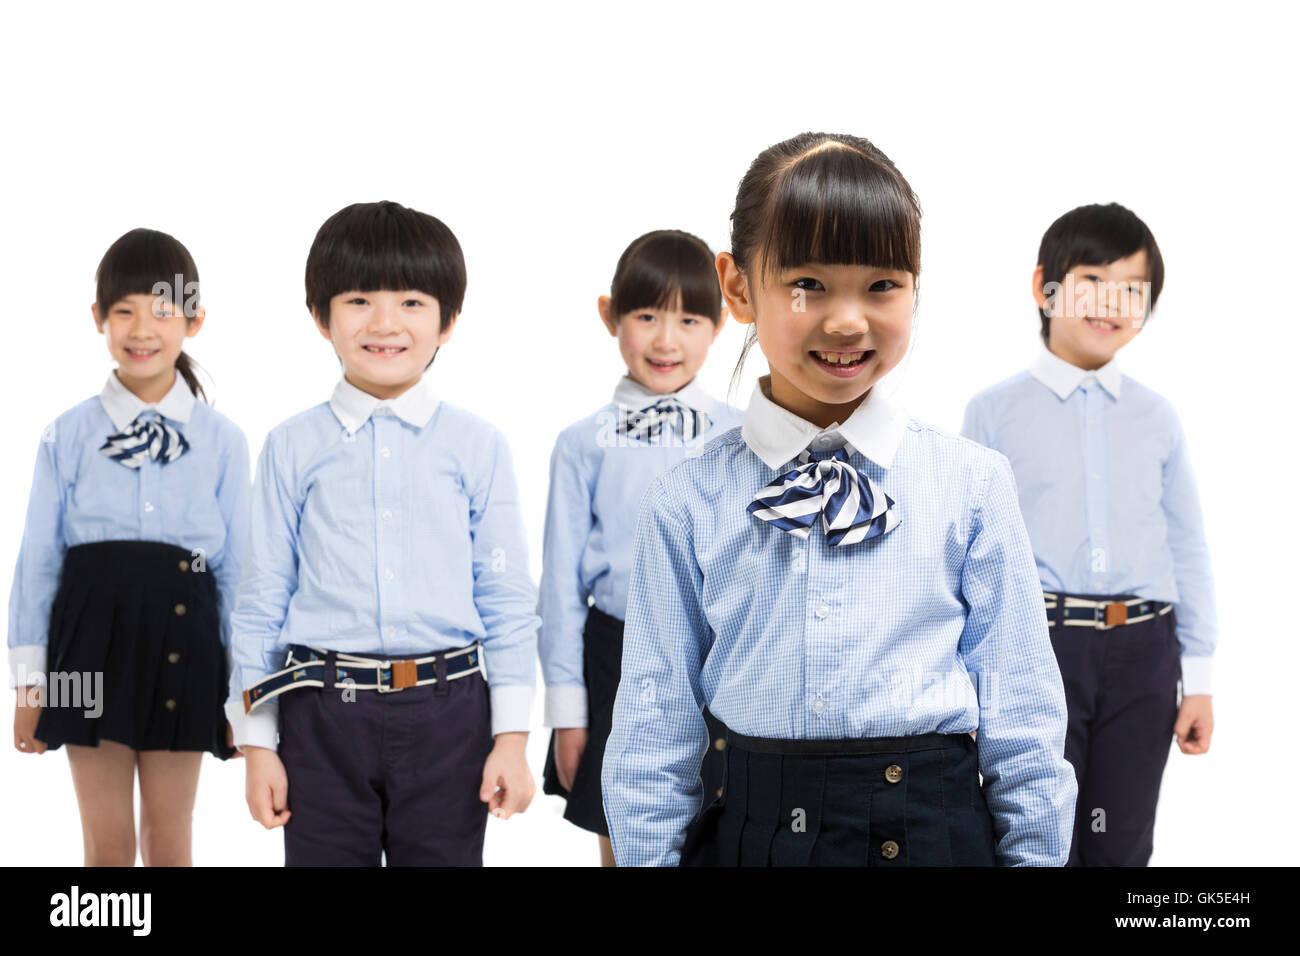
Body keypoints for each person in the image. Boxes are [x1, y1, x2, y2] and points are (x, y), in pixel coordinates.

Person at [602, 132, 1077, 866]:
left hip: (936, 836)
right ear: (737, 287)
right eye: (809, 285)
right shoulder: (686, 499)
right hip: (753, 835)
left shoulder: (972, 483)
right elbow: (654, 729)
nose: (848, 320)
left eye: (882, 285)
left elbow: (1024, 717)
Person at [226, 200, 539, 866]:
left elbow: (508, 598)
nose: (385, 324)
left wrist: (511, 736)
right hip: (320, 717)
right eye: (359, 300)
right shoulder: (290, 446)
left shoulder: (477, 445)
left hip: (451, 716)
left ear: (449, 321)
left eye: (412, 302)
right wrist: (258, 742)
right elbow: (261, 599)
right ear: (320, 316)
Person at [961, 202, 1216, 866]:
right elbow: (968, 554)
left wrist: (1202, 677)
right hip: (1038, 649)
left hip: (1144, 652)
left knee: (1120, 843)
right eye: (1094, 281)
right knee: (1039, 835)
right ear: (1045, 286)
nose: (1114, 303)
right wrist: (966, 675)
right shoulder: (993, 413)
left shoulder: (1157, 417)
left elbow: (1187, 545)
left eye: (1134, 289)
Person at [9, 227, 250, 865]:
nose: (143, 329)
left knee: (170, 839)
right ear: (98, 318)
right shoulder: (65, 435)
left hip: (187, 641)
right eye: (124, 311)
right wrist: (30, 687)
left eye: (163, 310)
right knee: (105, 844)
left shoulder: (223, 441)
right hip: (86, 641)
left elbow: (238, 573)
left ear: (194, 321)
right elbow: (37, 563)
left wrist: (243, 688)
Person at [538, 229, 743, 866]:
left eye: (688, 319)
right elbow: (560, 588)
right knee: (628, 838)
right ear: (610, 317)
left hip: (724, 656)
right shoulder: (583, 442)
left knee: (727, 830)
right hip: (615, 656)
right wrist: (568, 714)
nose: (666, 340)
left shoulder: (743, 434)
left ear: (720, 325)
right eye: (647, 316)